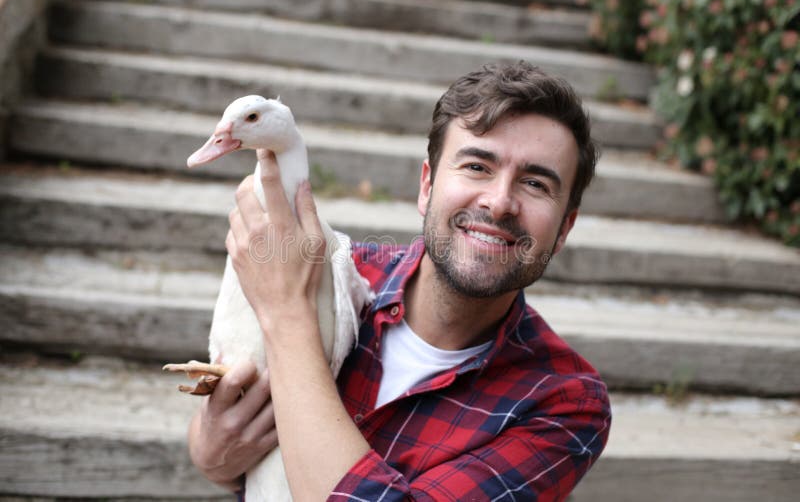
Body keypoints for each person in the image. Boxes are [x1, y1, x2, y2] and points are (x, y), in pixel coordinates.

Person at [187, 61, 611, 500]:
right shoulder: (339, 272)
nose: (500, 202)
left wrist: (288, 313)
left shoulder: (567, 405)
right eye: (477, 168)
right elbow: (216, 438)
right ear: (426, 186)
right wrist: (209, 448)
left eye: (536, 184)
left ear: (564, 228)